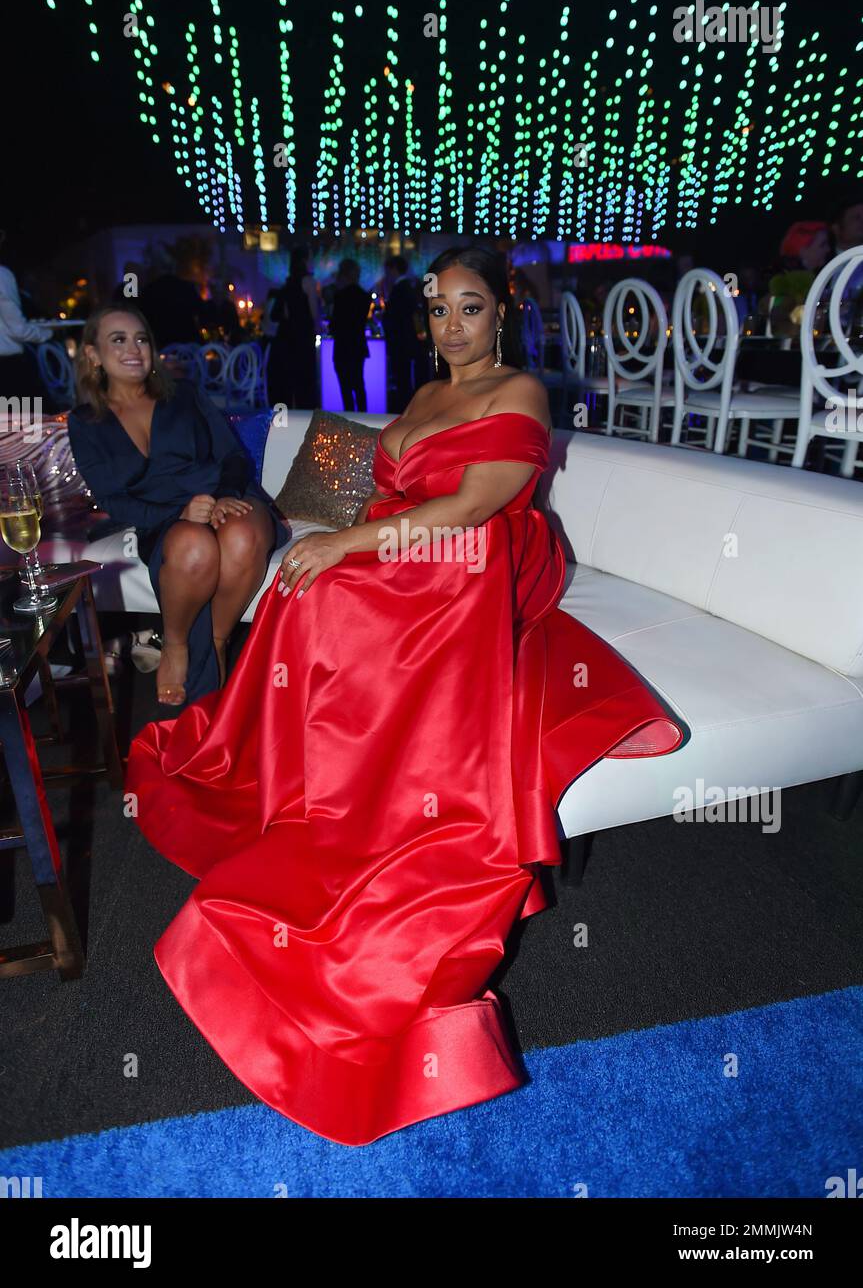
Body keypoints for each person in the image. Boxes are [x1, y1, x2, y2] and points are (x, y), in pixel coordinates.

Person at [123, 244, 685, 1146]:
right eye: (438, 309)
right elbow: (384, 496)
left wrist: (344, 547)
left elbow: (471, 508)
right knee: (306, 593)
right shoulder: (421, 395)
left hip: (483, 551)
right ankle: (313, 786)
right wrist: (332, 535)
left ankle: (366, 802)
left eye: (471, 307)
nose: (452, 325)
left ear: (502, 312)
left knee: (329, 589)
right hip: (414, 543)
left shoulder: (519, 390)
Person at [66, 305, 288, 707]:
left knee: (240, 535)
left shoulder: (183, 395)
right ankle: (176, 643)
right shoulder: (86, 422)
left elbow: (233, 457)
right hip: (164, 520)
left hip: (230, 494)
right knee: (193, 545)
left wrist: (226, 495)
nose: (134, 349)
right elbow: (112, 500)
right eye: (118, 340)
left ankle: (215, 643)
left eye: (141, 339)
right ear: (93, 355)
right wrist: (180, 514)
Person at [0, 229, 54, 403]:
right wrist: (48, 333)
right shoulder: (2, 275)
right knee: (27, 419)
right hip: (7, 369)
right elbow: (18, 330)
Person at [266, 246, 321, 408]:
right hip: (303, 338)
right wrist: (318, 328)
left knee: (289, 385)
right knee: (305, 385)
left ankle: (288, 420)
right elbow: (314, 313)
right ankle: (305, 419)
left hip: (287, 339)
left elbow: (281, 315)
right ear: (304, 261)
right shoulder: (309, 282)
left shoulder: (288, 284)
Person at [382, 254, 425, 411]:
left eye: (387, 270)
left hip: (401, 345)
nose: (386, 275)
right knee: (405, 381)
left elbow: (396, 320)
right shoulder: (407, 288)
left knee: (403, 383)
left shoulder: (400, 289)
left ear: (393, 269)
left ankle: (405, 412)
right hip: (405, 344)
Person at [330, 258, 371, 411]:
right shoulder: (364, 296)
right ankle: (364, 418)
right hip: (358, 345)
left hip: (342, 346)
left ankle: (349, 418)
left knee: (346, 388)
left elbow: (335, 324)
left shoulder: (339, 296)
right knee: (359, 385)